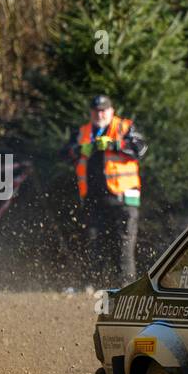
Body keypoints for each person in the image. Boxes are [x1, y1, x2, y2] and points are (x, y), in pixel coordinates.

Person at [62, 94, 146, 281]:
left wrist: (116, 145)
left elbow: (140, 148)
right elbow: (65, 154)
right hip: (93, 200)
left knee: (123, 249)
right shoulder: (82, 132)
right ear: (90, 113)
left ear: (111, 111)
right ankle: (94, 289)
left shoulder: (124, 128)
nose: (100, 115)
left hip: (123, 200)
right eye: (96, 111)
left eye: (103, 110)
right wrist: (79, 150)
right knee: (94, 247)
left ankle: (126, 290)